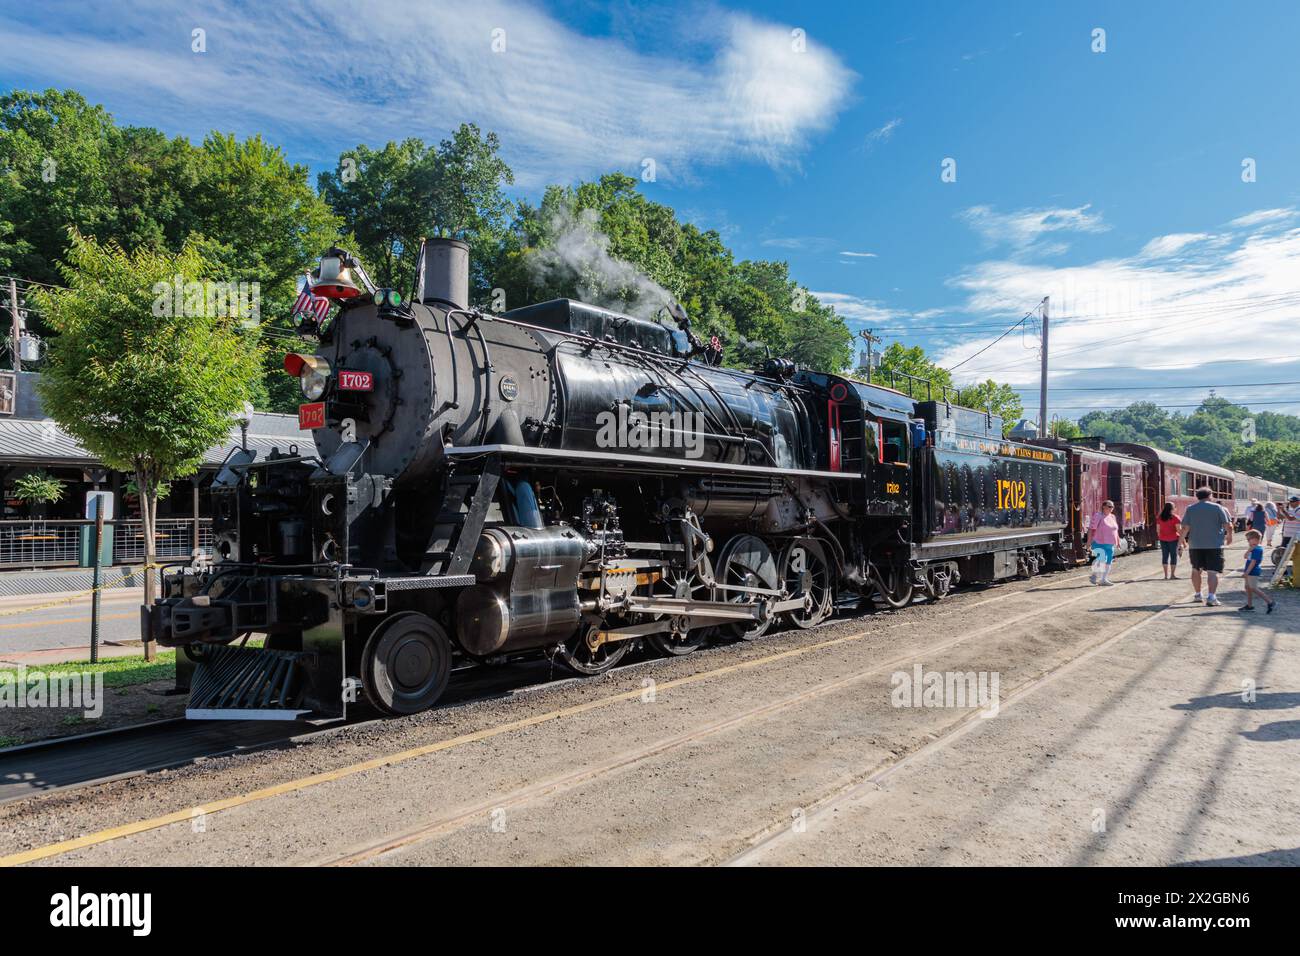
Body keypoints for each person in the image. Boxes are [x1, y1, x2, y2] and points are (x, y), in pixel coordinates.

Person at [1180, 486, 1233, 606]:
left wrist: (1180, 543)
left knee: (1195, 569)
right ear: (1210, 496)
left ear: (1198, 497)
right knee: (1212, 572)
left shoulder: (1190, 509)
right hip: (1214, 545)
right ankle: (1211, 597)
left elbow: (1185, 528)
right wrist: (1229, 536)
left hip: (1195, 545)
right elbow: (1227, 525)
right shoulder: (1217, 507)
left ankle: (1198, 594)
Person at [1084, 499, 1120, 586]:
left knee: (1108, 561)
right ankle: (1094, 575)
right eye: (1110, 506)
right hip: (1098, 542)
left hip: (1110, 543)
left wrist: (1118, 541)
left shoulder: (1112, 517)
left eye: (1112, 507)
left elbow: (1115, 530)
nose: (1112, 508)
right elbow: (1091, 529)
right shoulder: (1098, 516)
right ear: (1104, 507)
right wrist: (1088, 542)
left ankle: (1103, 579)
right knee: (1102, 558)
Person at [1239, 529, 1275, 613]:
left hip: (1253, 571)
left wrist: (1247, 572)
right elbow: (1245, 557)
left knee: (1253, 588)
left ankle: (1270, 602)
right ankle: (1249, 605)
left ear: (1255, 539)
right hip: (1249, 570)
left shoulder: (1257, 549)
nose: (1248, 541)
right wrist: (1249, 549)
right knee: (1248, 588)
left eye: (1249, 539)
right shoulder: (1253, 548)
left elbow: (1253, 562)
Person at [1156, 501, 1182, 580]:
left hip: (1163, 540)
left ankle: (1165, 575)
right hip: (1173, 539)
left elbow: (1158, 530)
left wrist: (1161, 537)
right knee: (1173, 557)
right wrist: (1183, 542)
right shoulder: (1175, 517)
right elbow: (1179, 531)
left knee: (1165, 556)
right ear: (1172, 509)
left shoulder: (1160, 517)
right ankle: (1172, 575)